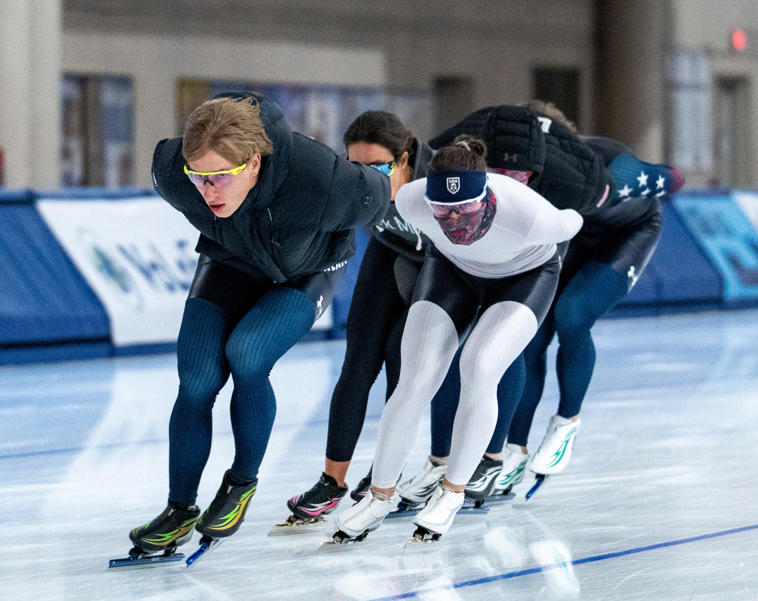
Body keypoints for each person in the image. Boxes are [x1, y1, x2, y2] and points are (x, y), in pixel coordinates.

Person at [125, 92, 389, 558]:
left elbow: (382, 188)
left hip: (308, 270)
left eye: (220, 178)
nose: (207, 191)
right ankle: (179, 507)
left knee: (247, 355)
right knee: (196, 380)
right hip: (230, 260)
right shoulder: (172, 172)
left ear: (252, 164)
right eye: (199, 177)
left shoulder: (323, 182)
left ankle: (240, 482)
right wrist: (202, 179)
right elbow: (197, 179)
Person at [420, 102, 682, 503]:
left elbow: (670, 180)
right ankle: (514, 450)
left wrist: (655, 178)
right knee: (528, 336)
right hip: (571, 234)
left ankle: (566, 421)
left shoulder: (601, 162)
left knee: (572, 313)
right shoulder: (520, 169)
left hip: (625, 235)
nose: (515, 176)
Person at [332, 135, 583, 543]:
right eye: (442, 213)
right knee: (415, 379)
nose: (453, 222)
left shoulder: (532, 215)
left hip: (523, 278)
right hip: (453, 271)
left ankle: (452, 491)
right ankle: (379, 495)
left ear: (486, 197)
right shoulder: (413, 201)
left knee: (480, 367)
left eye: (464, 210)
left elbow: (575, 220)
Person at [281, 111, 434, 527]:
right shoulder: (349, 185)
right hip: (392, 251)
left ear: (404, 160)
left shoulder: (437, 180)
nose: (366, 179)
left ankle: (386, 474)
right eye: (356, 168)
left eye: (378, 168)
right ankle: (332, 482)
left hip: (441, 267)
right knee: (358, 362)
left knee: (398, 358)